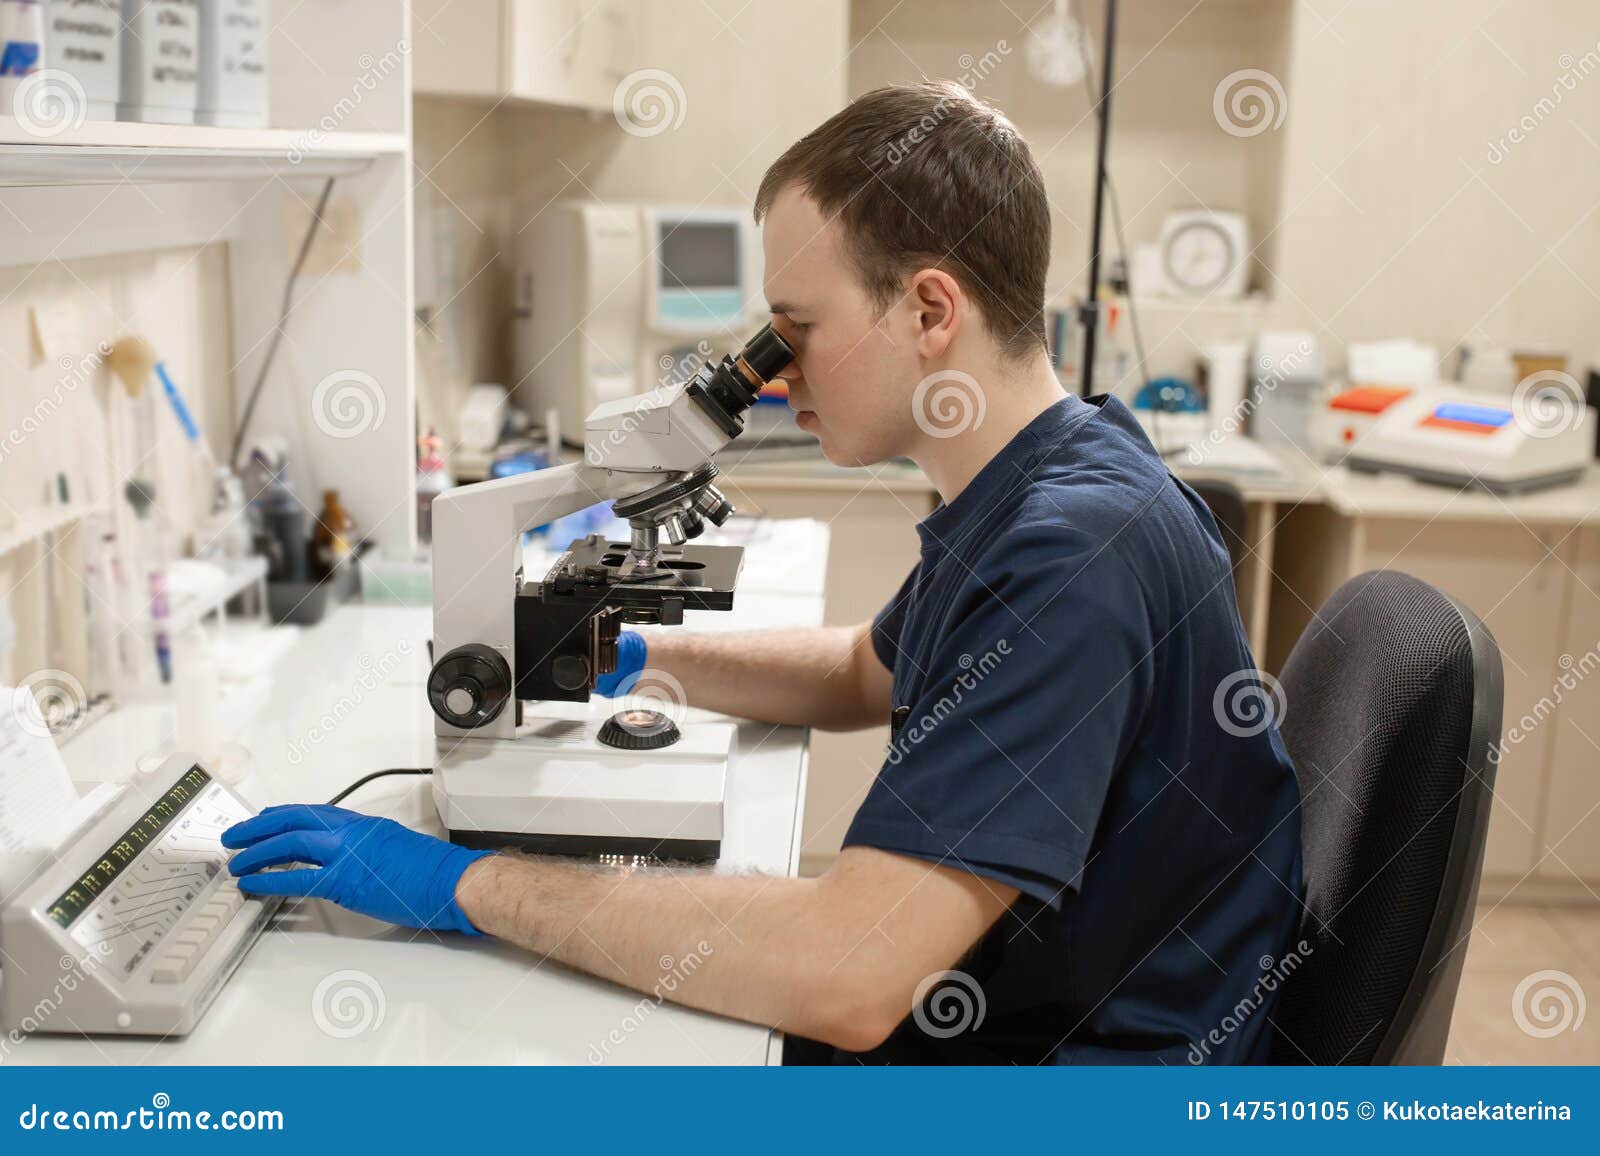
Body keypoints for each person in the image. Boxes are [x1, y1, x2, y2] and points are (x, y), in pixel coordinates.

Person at [224, 82, 1303, 1064]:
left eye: (797, 331)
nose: (772, 376)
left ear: (930, 311)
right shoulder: (1055, 472)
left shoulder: (1070, 554)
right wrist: (623, 652)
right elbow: (858, 670)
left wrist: (462, 883)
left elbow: (853, 974)